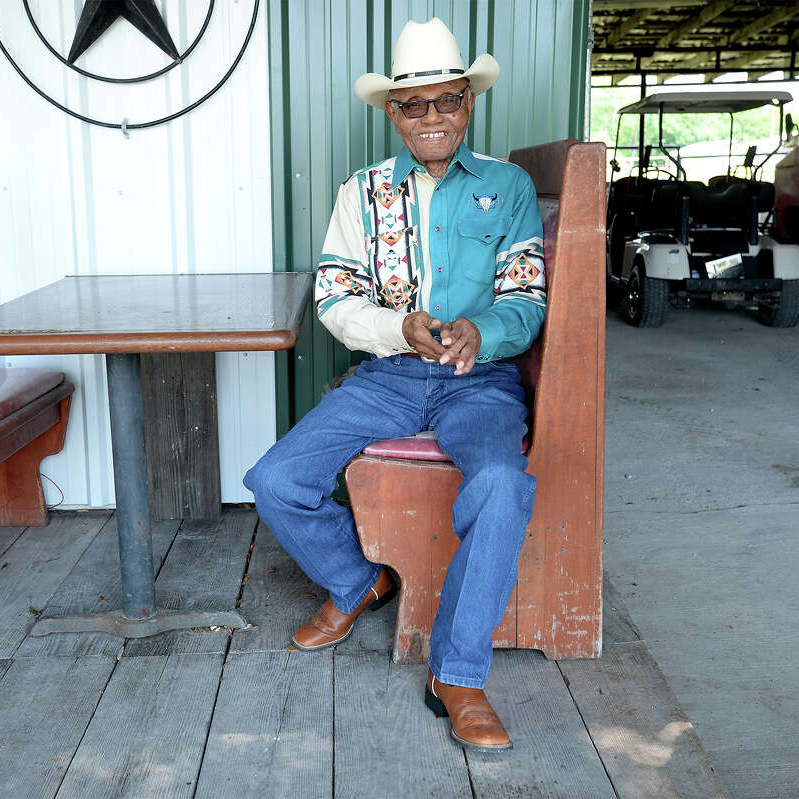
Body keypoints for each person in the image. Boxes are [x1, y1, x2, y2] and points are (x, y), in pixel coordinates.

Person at [244, 17, 545, 752]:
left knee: (502, 483)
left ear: (469, 102)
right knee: (277, 478)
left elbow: (527, 297)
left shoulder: (507, 187)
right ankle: (359, 583)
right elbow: (334, 297)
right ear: (393, 113)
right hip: (390, 372)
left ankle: (458, 672)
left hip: (480, 379)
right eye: (414, 104)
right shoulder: (363, 193)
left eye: (448, 100)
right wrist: (396, 327)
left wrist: (484, 331)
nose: (432, 116)